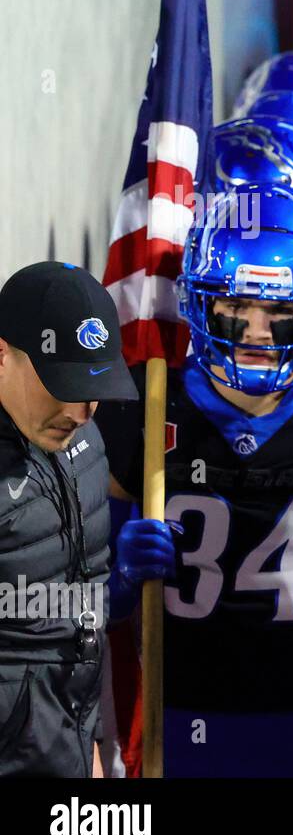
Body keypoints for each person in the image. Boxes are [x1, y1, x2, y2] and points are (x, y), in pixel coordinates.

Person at [95, 185, 293, 777]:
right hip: (184, 702)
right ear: (196, 302)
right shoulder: (141, 400)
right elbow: (88, 605)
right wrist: (119, 572)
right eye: (234, 309)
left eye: (284, 313)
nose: (258, 332)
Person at [0, 262, 146, 777]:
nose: (81, 410)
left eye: (95, 387)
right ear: (1, 355)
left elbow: (79, 610)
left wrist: (89, 750)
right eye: (62, 384)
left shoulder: (85, 440)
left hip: (68, 742)